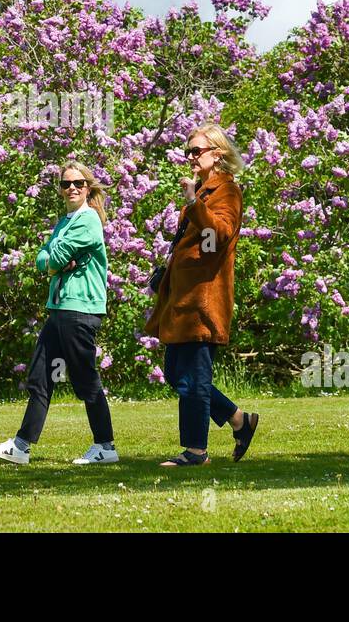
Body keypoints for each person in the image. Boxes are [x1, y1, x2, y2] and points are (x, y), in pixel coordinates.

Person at [0, 161, 116, 466]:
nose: (71, 188)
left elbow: (53, 256)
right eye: (65, 183)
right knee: (41, 376)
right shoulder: (66, 221)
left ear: (88, 188)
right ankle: (21, 446)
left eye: (78, 183)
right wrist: (52, 261)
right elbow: (43, 258)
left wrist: (54, 260)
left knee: (84, 378)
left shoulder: (88, 220)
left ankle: (105, 446)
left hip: (79, 310)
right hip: (59, 309)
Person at [145, 123, 259, 466]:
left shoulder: (227, 191)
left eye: (197, 151)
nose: (191, 157)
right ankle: (239, 420)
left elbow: (218, 234)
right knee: (176, 373)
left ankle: (196, 452)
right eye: (188, 151)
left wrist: (193, 201)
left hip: (204, 300)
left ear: (218, 153)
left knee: (194, 379)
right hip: (183, 299)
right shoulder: (206, 191)